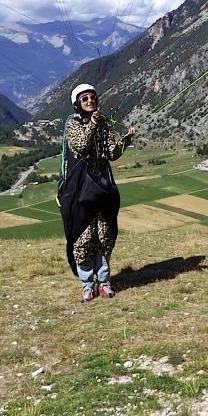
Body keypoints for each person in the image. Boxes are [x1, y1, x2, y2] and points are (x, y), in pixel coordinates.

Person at [58, 82, 136, 301]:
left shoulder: (103, 124)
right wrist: (93, 124)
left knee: (104, 234)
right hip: (79, 190)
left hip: (102, 187)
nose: (90, 101)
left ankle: (104, 282)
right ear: (78, 104)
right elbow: (81, 146)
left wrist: (125, 141)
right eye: (85, 99)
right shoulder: (73, 124)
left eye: (93, 98)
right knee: (83, 237)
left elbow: (111, 153)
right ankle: (86, 284)